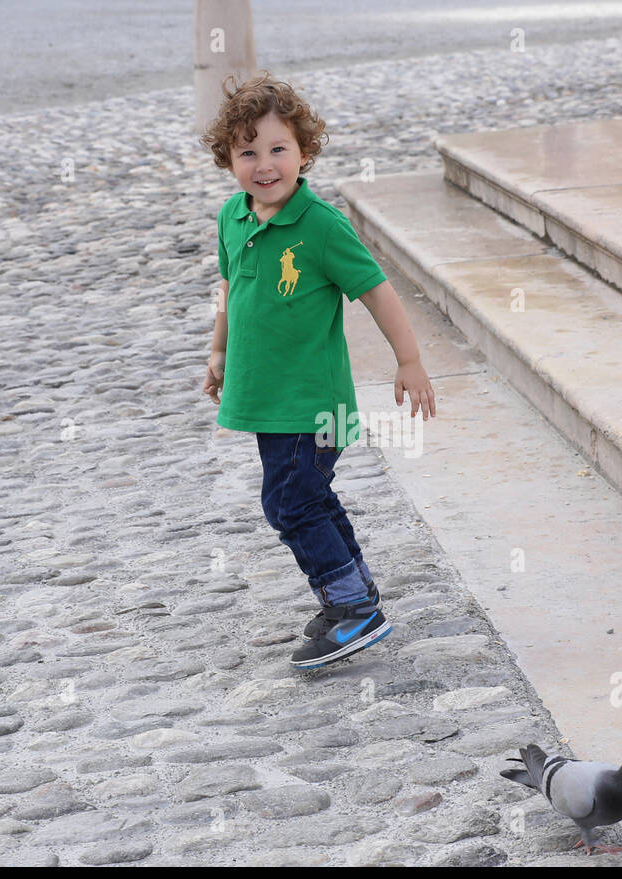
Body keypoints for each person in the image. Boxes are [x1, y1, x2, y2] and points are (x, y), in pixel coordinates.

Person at [199, 70, 437, 669]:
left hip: (312, 402)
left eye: (278, 149)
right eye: (247, 152)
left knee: (290, 504)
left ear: (304, 152)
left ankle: (352, 608)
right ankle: (353, 596)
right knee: (308, 496)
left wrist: (409, 360)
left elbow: (377, 290)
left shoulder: (322, 226)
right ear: (228, 160)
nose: (264, 165)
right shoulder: (233, 217)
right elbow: (230, 289)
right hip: (268, 399)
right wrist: (219, 352)